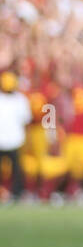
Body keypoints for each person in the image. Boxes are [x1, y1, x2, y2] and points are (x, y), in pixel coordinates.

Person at [0, 71, 31, 201]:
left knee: (17, 169)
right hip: (3, 139)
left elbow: (26, 119)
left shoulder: (21, 99)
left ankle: (17, 193)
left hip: (15, 140)